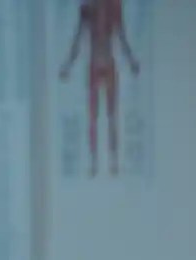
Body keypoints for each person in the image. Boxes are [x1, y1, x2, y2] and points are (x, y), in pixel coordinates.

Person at [58, 0, 140, 177]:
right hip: (96, 65)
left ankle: (113, 160)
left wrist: (131, 60)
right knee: (93, 117)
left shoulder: (114, 6)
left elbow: (121, 35)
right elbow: (78, 39)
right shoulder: (87, 9)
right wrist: (68, 66)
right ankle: (94, 161)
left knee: (111, 115)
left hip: (107, 64)